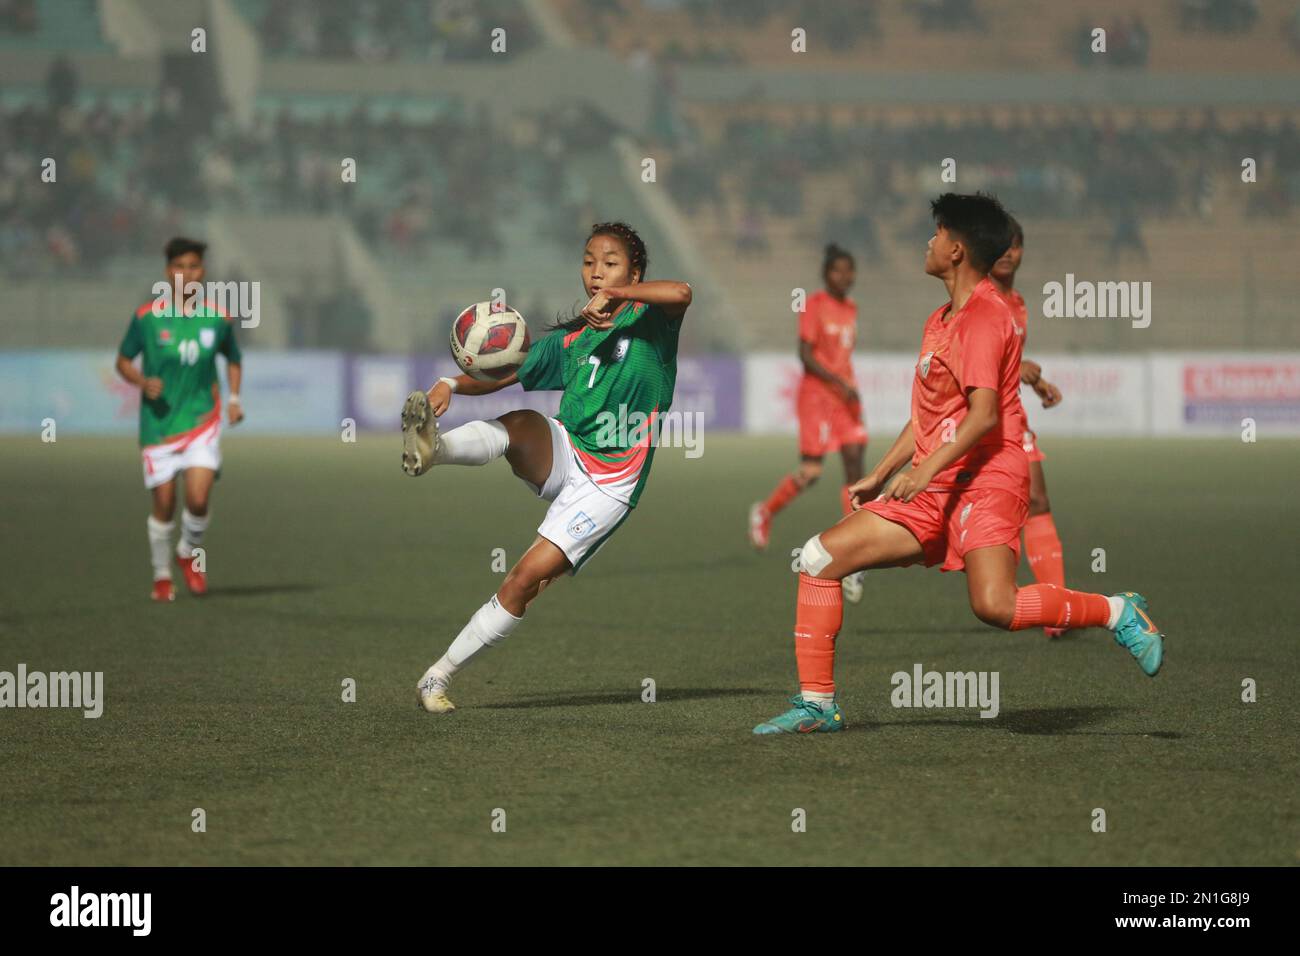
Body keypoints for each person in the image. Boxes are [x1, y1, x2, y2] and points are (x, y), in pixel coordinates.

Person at [752, 194, 1165, 735]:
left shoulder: (986, 316)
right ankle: (817, 704)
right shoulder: (941, 319)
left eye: (937, 233)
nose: (929, 241)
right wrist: (880, 473)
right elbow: (929, 418)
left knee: (994, 606)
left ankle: (1116, 612)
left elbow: (984, 416)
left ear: (957, 251)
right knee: (818, 558)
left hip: (987, 477)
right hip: (936, 481)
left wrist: (923, 471)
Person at [402, 222, 692, 713]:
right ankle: (435, 452)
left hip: (609, 485)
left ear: (634, 271)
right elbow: (506, 375)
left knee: (523, 581)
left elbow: (682, 291)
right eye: (588, 262)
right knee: (521, 422)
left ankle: (438, 675)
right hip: (567, 447)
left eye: (610, 263)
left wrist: (619, 295)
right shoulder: (574, 340)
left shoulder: (654, 321)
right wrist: (449, 384)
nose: (597, 273)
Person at [115, 237, 244, 602]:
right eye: (179, 267)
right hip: (159, 426)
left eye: (193, 267)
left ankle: (187, 552)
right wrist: (141, 380)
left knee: (199, 499)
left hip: (202, 421)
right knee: (165, 504)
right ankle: (160, 575)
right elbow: (122, 361)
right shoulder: (147, 319)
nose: (186, 274)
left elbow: (233, 358)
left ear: (202, 273)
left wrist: (234, 399)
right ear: (167, 272)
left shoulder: (217, 319)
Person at [750, 244, 869, 602]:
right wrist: (838, 382)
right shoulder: (813, 305)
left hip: (846, 398)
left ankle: (854, 558)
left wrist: (850, 389)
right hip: (817, 397)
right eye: (837, 271)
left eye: (849, 270)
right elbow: (804, 355)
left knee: (857, 471)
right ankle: (765, 511)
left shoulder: (851, 308)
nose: (844, 277)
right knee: (812, 473)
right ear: (825, 275)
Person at [988, 218, 1070, 638]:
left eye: (1015, 246)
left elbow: (1010, 360)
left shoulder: (1017, 302)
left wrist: (1036, 383)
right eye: (1001, 245)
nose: (1007, 252)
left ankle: (1054, 606)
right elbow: (976, 355)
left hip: (1011, 413)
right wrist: (1016, 368)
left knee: (1037, 500)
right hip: (978, 419)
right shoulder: (980, 298)